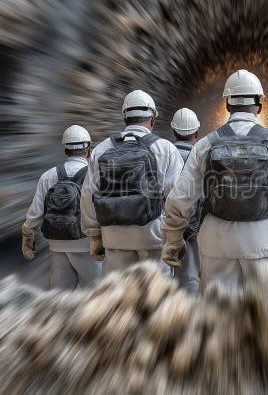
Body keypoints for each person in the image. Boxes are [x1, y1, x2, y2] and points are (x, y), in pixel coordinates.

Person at [160, 69, 268, 290]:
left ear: (227, 105)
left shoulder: (205, 145)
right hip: (264, 243)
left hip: (217, 244)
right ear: (259, 107)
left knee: (218, 317)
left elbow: (181, 198)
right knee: (262, 316)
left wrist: (174, 239)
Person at [80, 90, 183, 275]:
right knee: (156, 296)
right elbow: (177, 197)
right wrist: (174, 235)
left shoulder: (102, 149)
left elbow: (88, 194)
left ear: (125, 119)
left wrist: (94, 235)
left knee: (120, 297)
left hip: (113, 238)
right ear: (153, 120)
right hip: (153, 236)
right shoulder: (166, 149)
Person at [21, 125, 102, 289]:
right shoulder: (95, 174)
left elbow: (35, 213)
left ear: (66, 150)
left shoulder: (48, 176)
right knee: (96, 296)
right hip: (88, 245)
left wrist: (28, 236)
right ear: (88, 150)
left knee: (58, 298)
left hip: (57, 244)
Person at [170, 108, 202, 295]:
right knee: (191, 277)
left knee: (166, 276)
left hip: (166, 227)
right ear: (196, 133)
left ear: (174, 131)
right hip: (194, 228)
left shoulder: (163, 152)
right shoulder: (202, 153)